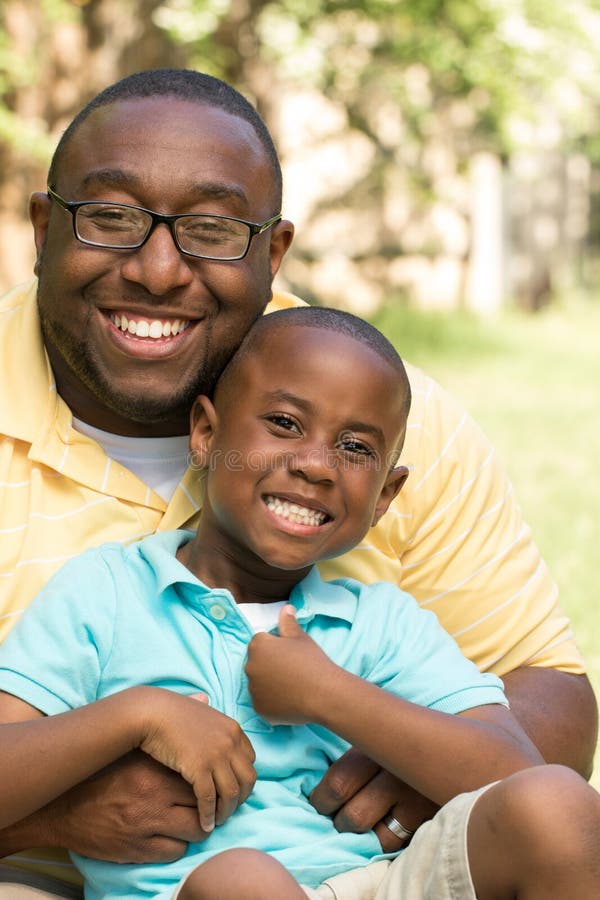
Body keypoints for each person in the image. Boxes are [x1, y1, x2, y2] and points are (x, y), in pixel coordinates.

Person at [0, 68, 596, 897]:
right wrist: (53, 816)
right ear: (42, 229)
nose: (159, 271)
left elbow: (544, 703)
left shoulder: (389, 413)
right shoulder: (102, 596)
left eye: (211, 229)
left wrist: (405, 751)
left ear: (272, 252)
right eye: (112, 218)